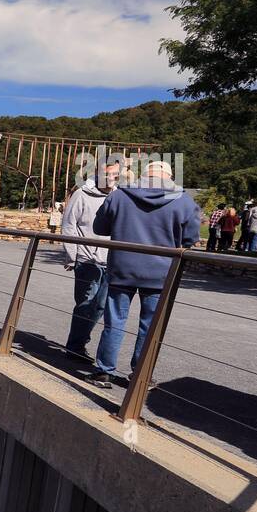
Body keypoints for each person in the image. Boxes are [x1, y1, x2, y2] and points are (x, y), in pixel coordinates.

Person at [87, 160, 200, 389]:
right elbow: (190, 239)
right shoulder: (184, 200)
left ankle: (103, 372)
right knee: (149, 326)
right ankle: (141, 375)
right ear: (168, 176)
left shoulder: (119, 195)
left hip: (122, 267)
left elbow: (99, 229)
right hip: (160, 272)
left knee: (114, 321)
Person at [60, 162, 117, 362]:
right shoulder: (81, 194)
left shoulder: (118, 196)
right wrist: (72, 256)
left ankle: (80, 343)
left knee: (100, 306)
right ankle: (74, 347)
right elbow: (68, 225)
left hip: (110, 261)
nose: (113, 179)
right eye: (110, 174)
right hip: (86, 259)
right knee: (85, 303)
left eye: (117, 175)